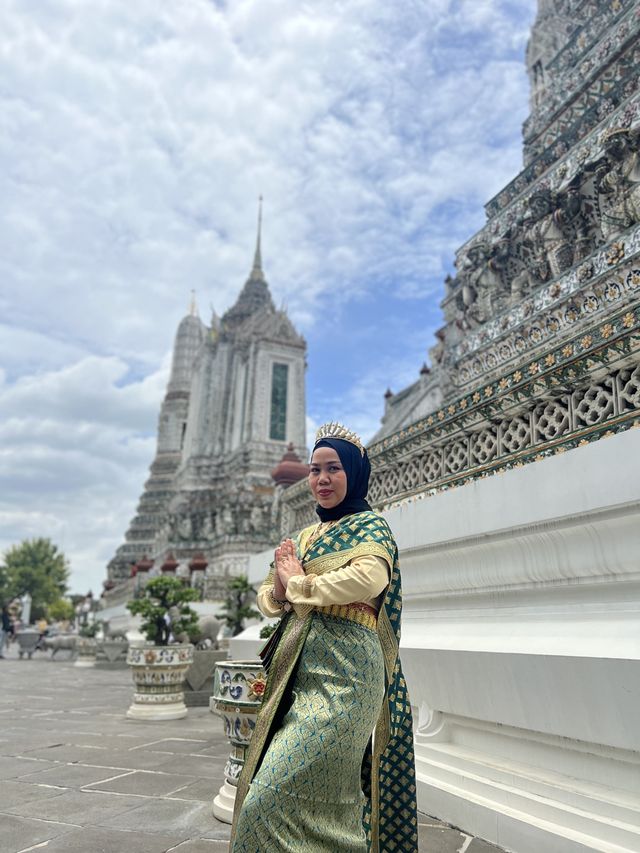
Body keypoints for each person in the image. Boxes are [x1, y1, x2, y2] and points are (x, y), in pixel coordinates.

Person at [231, 422, 418, 852]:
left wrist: (296, 585)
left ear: (353, 472)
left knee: (280, 795)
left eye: (333, 468)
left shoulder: (372, 527)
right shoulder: (304, 537)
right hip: (298, 673)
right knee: (270, 796)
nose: (322, 479)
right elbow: (267, 592)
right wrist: (281, 589)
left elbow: (366, 580)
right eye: (315, 470)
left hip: (348, 677)